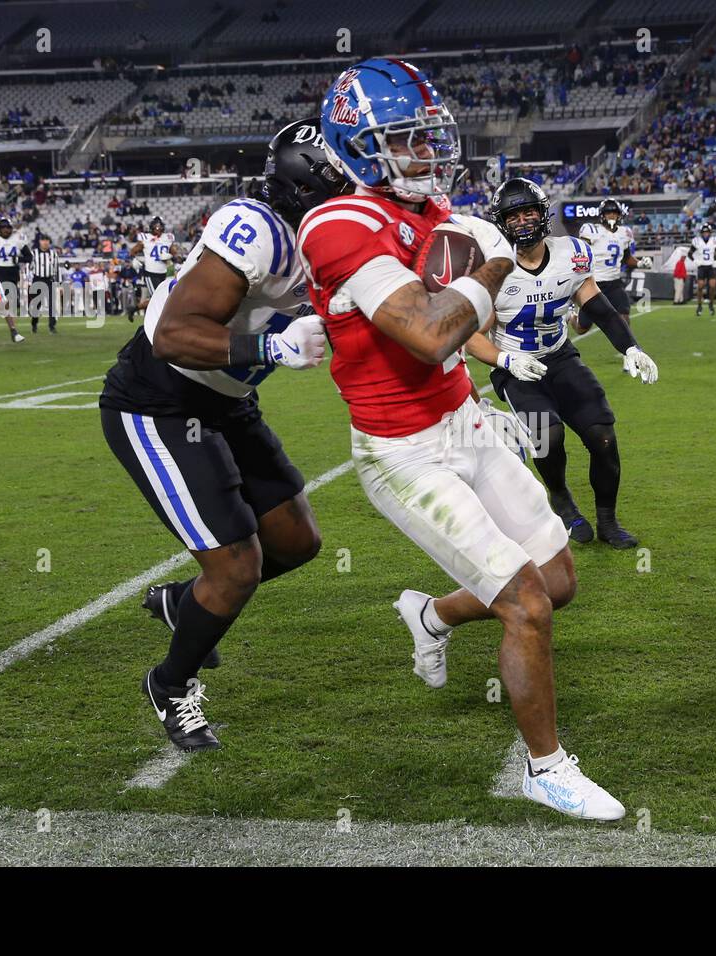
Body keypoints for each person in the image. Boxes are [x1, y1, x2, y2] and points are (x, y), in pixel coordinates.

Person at [300, 58, 624, 820]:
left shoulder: (427, 207)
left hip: (465, 420)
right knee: (525, 603)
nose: (426, 153)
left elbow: (453, 313)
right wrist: (497, 261)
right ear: (358, 146)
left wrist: (479, 272)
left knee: (561, 583)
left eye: (427, 137)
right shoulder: (339, 222)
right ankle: (546, 768)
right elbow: (429, 333)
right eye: (405, 141)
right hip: (403, 450)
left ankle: (434, 614)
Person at [100, 118, 345, 752]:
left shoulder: (334, 236)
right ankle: (169, 683)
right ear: (310, 183)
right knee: (237, 566)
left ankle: (184, 603)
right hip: (160, 396)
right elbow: (174, 335)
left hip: (229, 400)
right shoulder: (259, 227)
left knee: (295, 542)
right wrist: (268, 343)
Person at [464, 176, 658, 547]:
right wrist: (507, 360)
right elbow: (472, 336)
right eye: (513, 216)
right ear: (501, 223)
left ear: (543, 214)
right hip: (517, 369)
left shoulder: (571, 252)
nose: (521, 222)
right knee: (548, 434)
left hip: (560, 356)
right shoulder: (494, 269)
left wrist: (630, 347)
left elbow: (597, 305)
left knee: (602, 435)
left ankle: (607, 521)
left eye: (528, 212)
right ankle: (562, 500)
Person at [576, 199, 638, 326]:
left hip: (614, 283)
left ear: (619, 215)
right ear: (602, 215)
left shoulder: (624, 233)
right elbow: (580, 252)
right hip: (594, 283)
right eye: (609, 213)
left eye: (614, 213)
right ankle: (572, 316)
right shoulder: (591, 230)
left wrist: (641, 263)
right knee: (582, 327)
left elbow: (627, 258)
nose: (612, 215)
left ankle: (628, 346)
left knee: (624, 317)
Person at [687, 223, 716, 315]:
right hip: (701, 266)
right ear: (701, 233)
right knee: (700, 286)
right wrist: (695, 261)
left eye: (707, 232)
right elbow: (689, 254)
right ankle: (699, 305)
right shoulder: (697, 241)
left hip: (711, 266)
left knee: (713, 286)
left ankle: (711, 304)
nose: (705, 234)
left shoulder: (714, 241)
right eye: (704, 232)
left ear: (710, 232)